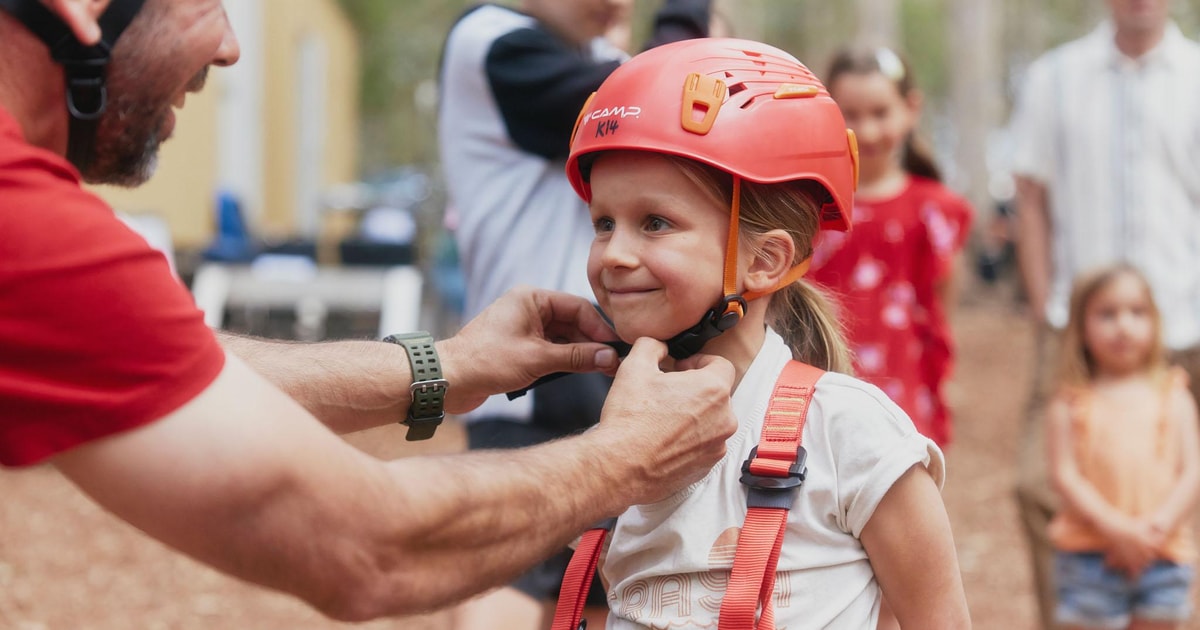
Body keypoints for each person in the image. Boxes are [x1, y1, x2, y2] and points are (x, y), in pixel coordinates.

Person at [0, 0, 740, 620]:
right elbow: (369, 545)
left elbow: (172, 368)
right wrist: (626, 458)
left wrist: (442, 365)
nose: (230, 48)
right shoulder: (23, 223)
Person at [555, 37, 971, 628]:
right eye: (603, 222)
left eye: (655, 222)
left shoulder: (849, 435)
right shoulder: (620, 437)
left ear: (766, 261)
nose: (614, 254)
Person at [436, 1, 712, 626]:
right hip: (530, 359)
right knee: (505, 568)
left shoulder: (591, 60)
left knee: (599, 576)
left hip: (602, 345)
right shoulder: (494, 41)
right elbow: (659, 90)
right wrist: (687, 15)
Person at [1007, 1, 1200, 626]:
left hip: (1187, 319)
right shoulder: (1054, 77)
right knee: (1040, 483)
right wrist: (1046, 308)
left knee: (1177, 486)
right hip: (1077, 328)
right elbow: (1030, 197)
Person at [808, 46, 974, 448]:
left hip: (905, 376)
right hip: (820, 371)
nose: (866, 131)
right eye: (851, 115)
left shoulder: (934, 208)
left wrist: (940, 374)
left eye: (881, 113)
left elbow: (942, 295)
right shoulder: (810, 205)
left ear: (910, 109)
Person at [1046, 264, 1200, 630]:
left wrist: (1155, 530)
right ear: (1081, 327)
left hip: (1163, 556)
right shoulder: (1068, 403)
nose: (1123, 325)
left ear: (1155, 321)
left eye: (1136, 312)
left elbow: (1192, 471)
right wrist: (1117, 529)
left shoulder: (1174, 394)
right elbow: (1065, 476)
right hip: (1088, 559)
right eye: (1106, 314)